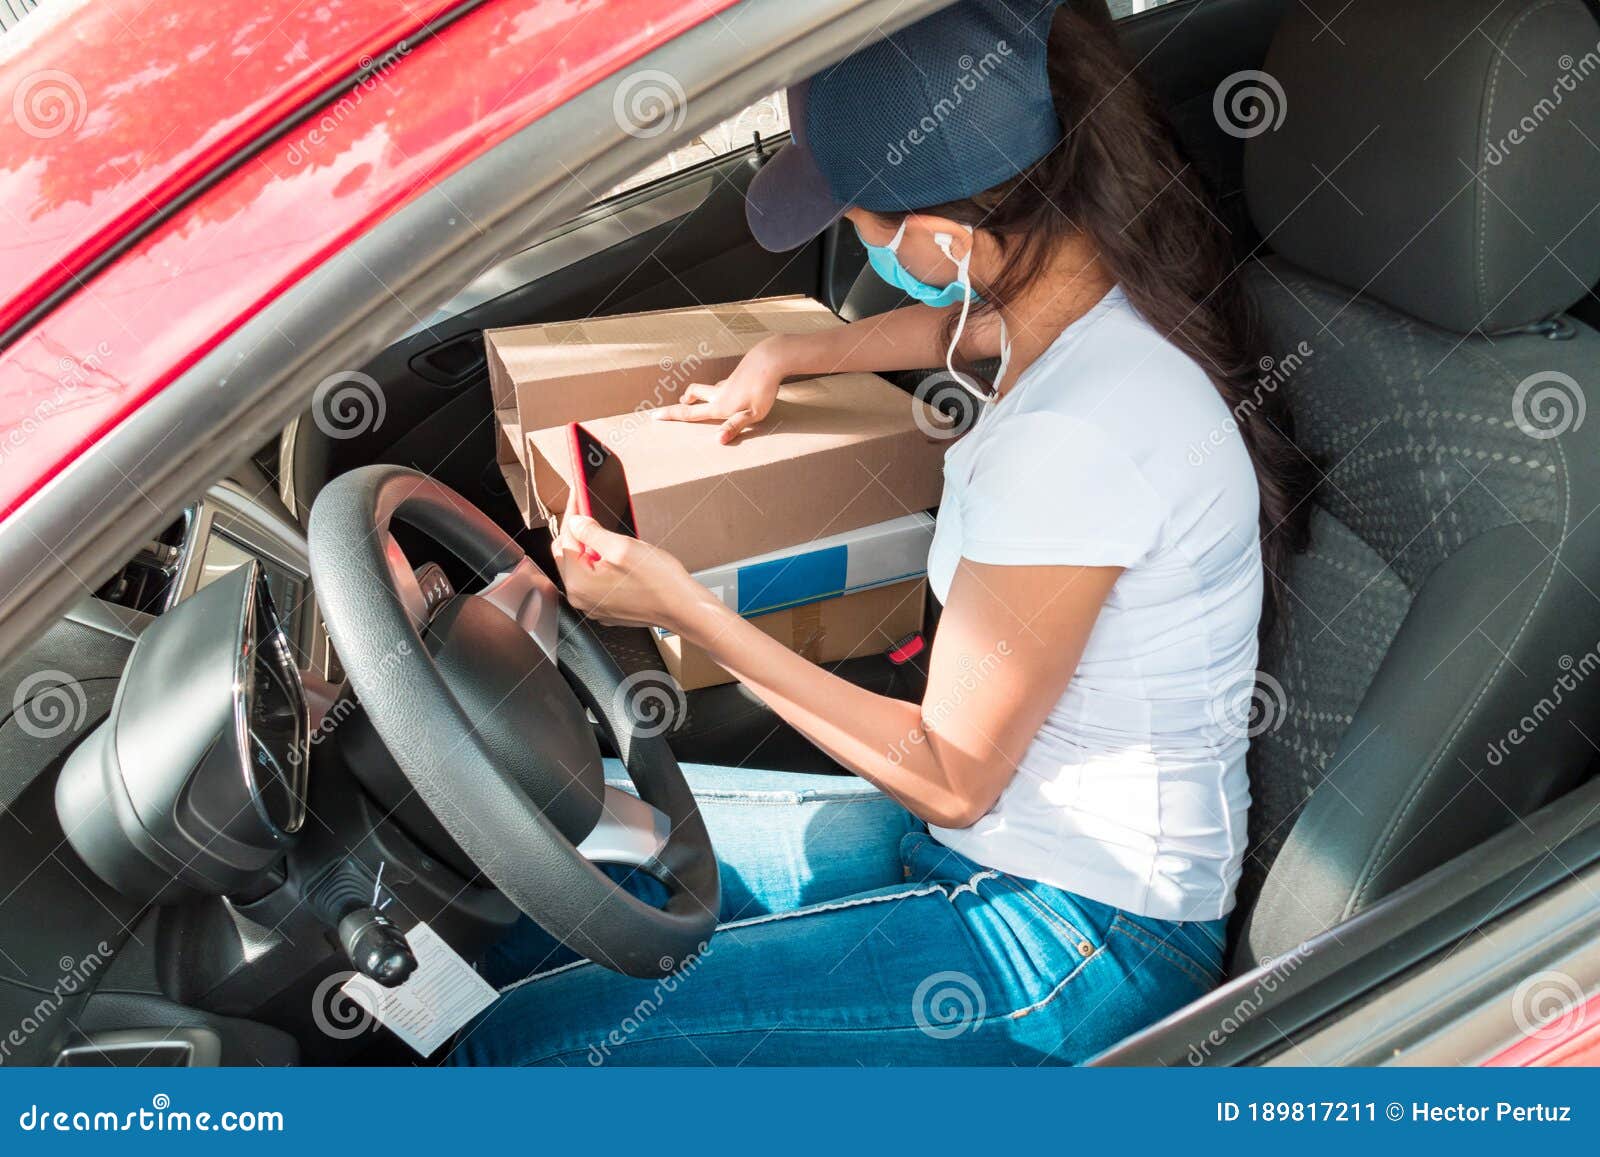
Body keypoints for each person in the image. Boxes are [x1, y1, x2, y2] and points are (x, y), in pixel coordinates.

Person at [450, 0, 1308, 1067]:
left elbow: (952, 773)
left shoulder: (1080, 439)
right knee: (558, 836)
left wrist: (684, 611)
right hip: (984, 846)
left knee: (522, 1049)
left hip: (1072, 932)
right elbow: (977, 325)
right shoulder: (1091, 299)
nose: (852, 241)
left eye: (856, 219)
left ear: (947, 237)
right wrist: (791, 358)